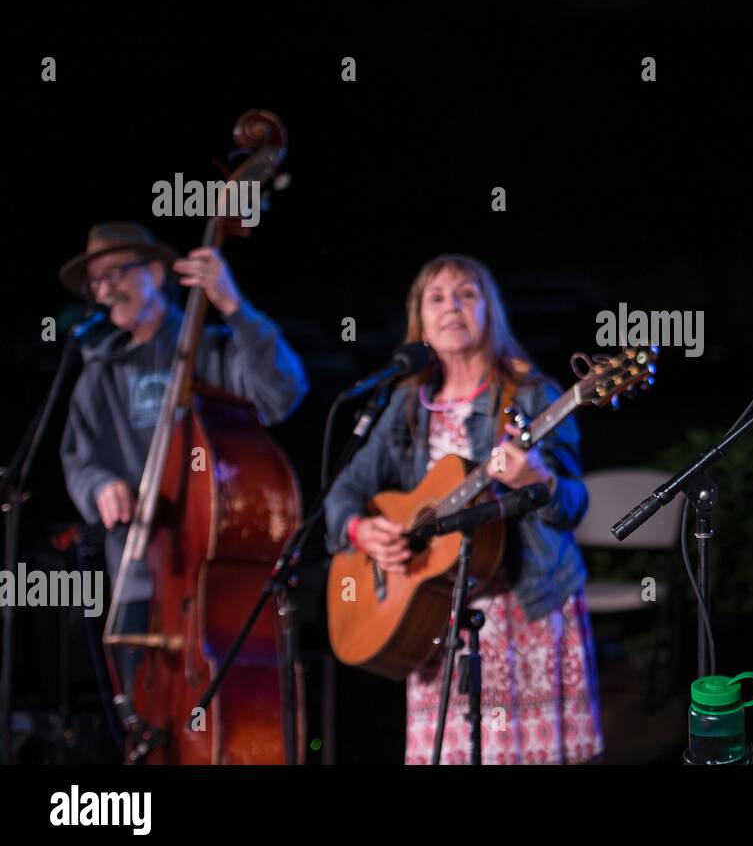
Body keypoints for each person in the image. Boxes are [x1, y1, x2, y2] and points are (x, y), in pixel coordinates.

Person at [323, 254, 603, 764]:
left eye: (466, 294)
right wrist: (361, 531)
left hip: (527, 606)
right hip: (439, 615)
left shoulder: (534, 393)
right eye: (437, 297)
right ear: (420, 321)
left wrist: (537, 479)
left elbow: (573, 505)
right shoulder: (409, 404)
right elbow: (344, 491)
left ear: (490, 310)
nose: (451, 306)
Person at [58, 222, 308, 687]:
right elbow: (78, 456)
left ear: (156, 271)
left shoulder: (211, 349)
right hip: (135, 573)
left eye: (116, 273)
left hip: (215, 578)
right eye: (97, 282)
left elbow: (283, 391)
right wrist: (99, 487)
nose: (105, 289)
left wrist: (233, 305)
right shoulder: (99, 372)